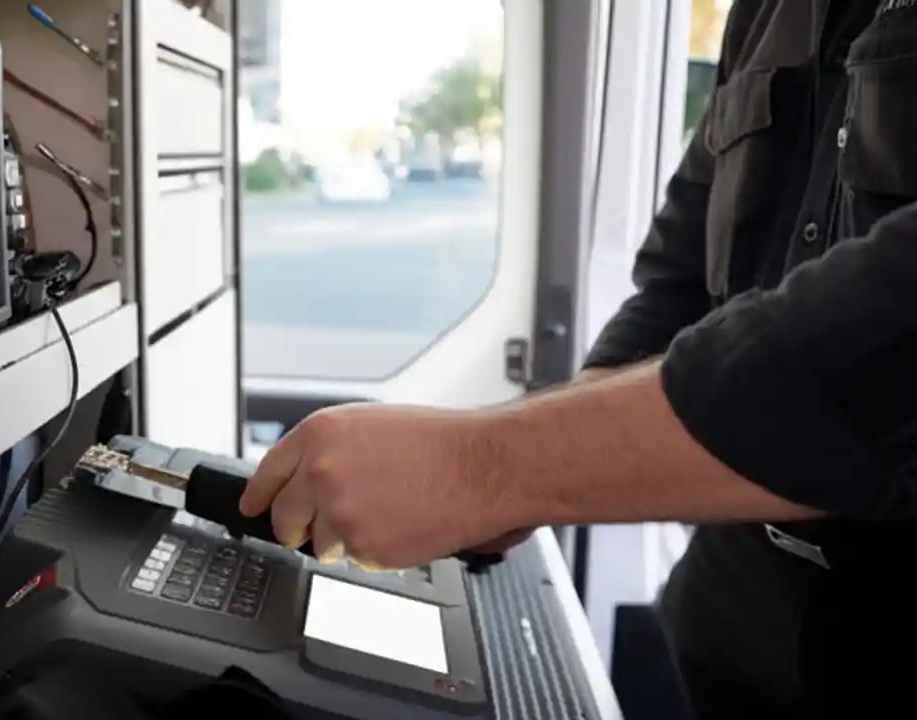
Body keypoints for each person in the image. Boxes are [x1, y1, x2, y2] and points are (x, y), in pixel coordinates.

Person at [239, 2, 917, 717]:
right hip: (726, 620)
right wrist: (509, 478)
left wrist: (484, 468)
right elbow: (677, 284)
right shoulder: (764, 15)